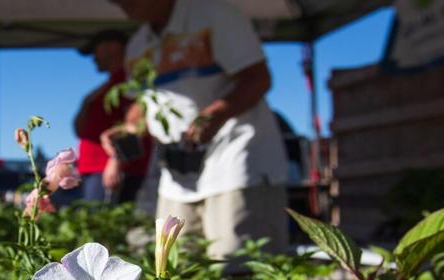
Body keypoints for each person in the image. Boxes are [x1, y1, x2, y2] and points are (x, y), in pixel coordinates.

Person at [106, 0, 289, 262]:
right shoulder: (138, 44)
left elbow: (257, 77)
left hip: (234, 160)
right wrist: (129, 128)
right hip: (177, 175)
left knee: (240, 264)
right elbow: (142, 102)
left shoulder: (214, 15)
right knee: (175, 264)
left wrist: (214, 115)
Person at [71, 28, 151, 205]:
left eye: (96, 51)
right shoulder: (109, 85)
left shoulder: (129, 84)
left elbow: (135, 124)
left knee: (105, 219)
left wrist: (116, 161)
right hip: (96, 169)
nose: (93, 58)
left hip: (112, 171)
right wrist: (86, 103)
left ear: (113, 47)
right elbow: (80, 129)